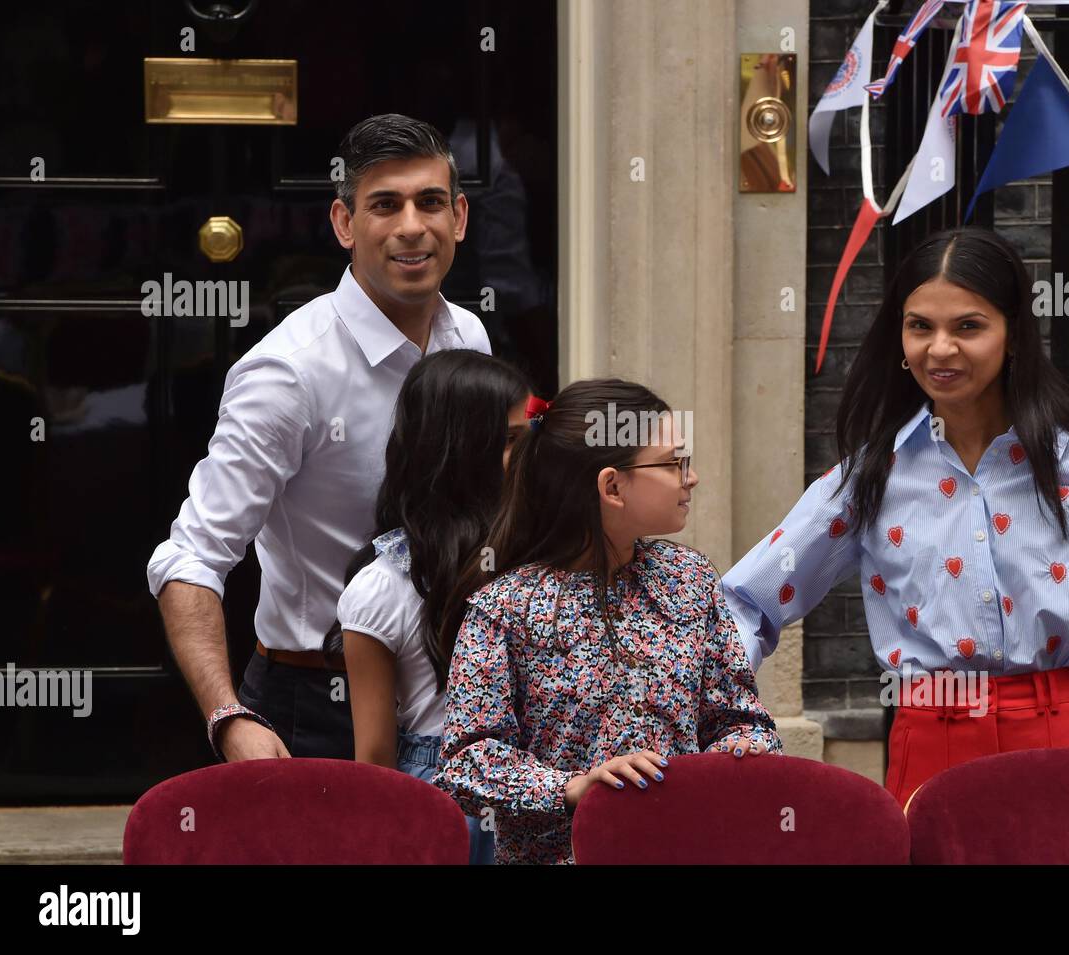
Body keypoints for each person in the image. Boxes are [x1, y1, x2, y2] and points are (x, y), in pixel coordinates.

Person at [721, 227, 1069, 809]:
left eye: (967, 326)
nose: (940, 349)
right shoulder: (868, 477)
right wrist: (715, 718)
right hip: (933, 751)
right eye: (920, 326)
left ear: (1013, 334)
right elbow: (744, 603)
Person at [146, 114, 490, 762]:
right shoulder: (288, 373)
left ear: (460, 217)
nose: (412, 226)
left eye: (431, 202)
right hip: (315, 706)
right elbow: (189, 557)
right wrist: (229, 717)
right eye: (385, 205)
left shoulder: (468, 337)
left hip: (456, 698)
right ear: (343, 224)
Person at [432, 379, 783, 864]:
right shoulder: (503, 609)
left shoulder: (691, 579)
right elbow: (468, 760)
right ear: (611, 486)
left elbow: (737, 718)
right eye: (674, 462)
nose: (692, 476)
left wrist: (746, 749)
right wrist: (575, 788)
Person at [330, 349, 531, 866]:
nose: (525, 456)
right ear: (462, 451)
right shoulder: (382, 588)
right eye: (509, 441)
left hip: (543, 787)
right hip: (445, 804)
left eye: (526, 437)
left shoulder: (539, 556)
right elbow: (374, 759)